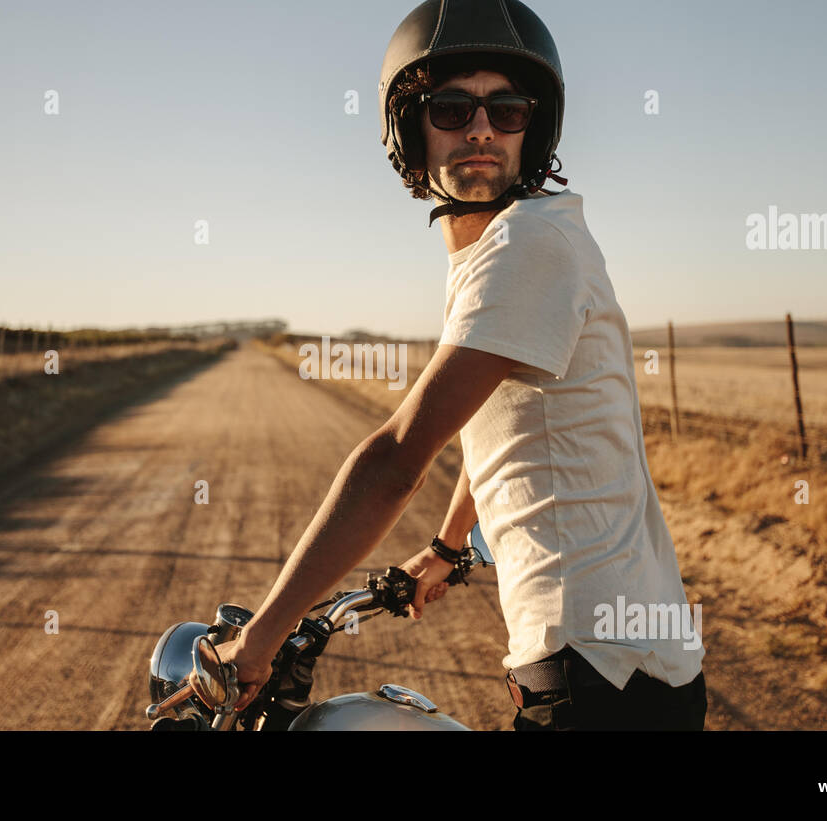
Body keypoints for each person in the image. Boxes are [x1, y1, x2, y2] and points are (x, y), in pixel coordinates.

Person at [218, 0, 706, 731]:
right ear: (409, 130)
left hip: (599, 677)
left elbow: (395, 460)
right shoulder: (516, 245)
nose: (480, 127)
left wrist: (259, 640)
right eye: (451, 108)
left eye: (506, 110)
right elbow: (507, 418)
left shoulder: (525, 248)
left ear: (531, 130)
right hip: (621, 664)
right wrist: (449, 544)